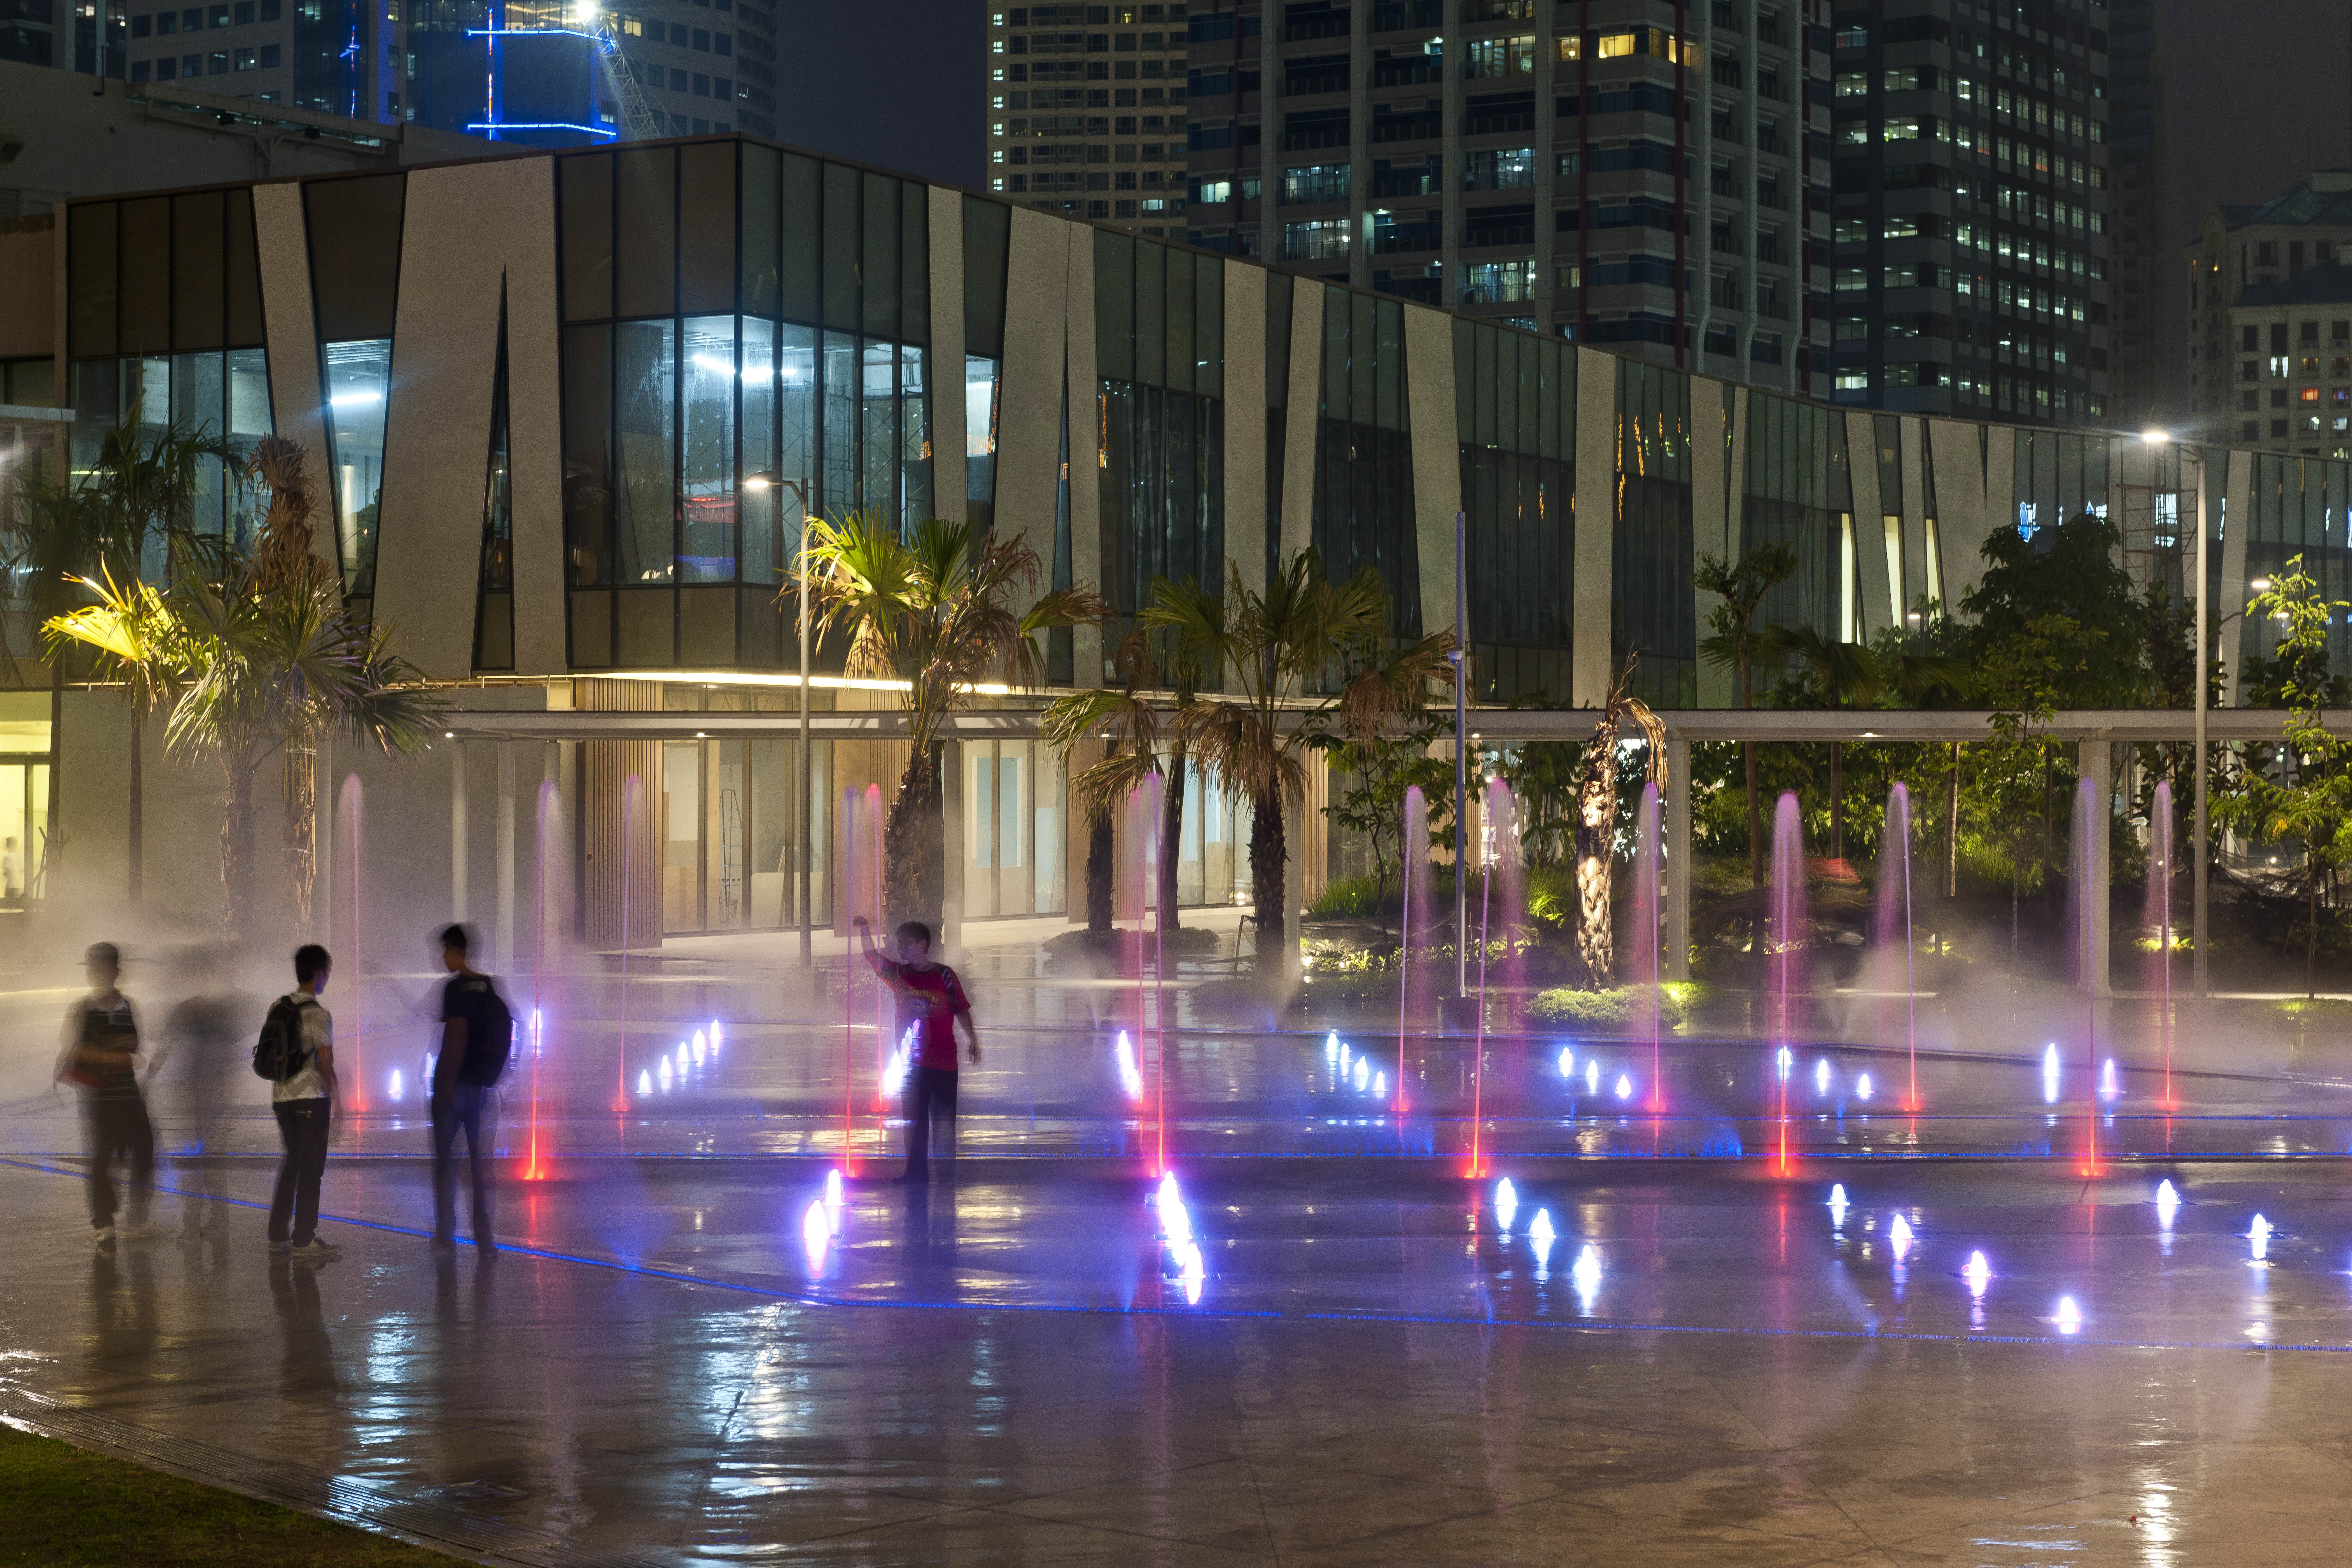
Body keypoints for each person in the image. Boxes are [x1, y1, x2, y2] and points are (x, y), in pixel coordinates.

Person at [854, 917, 979, 1183]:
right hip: (911, 1065)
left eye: (907, 943)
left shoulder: (944, 975)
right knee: (914, 1122)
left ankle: (947, 1176)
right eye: (899, 944)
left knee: (945, 1125)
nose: (901, 948)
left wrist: (973, 1040)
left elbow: (962, 1009)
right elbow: (870, 955)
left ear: (923, 944)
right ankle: (916, 1173)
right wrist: (865, 930)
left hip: (944, 1063)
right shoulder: (899, 976)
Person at [55, 942, 155, 1248]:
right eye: (92, 969)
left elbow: (134, 1044)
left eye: (102, 968)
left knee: (146, 1150)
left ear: (116, 971)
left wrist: (126, 1053)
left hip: (129, 1095)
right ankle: (104, 1223)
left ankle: (137, 1211)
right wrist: (117, 1056)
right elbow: (76, 1051)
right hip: (100, 1099)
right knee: (102, 1160)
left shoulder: (127, 1005)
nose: (96, 974)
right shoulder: (84, 1009)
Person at [430, 924, 511, 1252]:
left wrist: (446, 1086)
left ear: (457, 951)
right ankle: (484, 1236)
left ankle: (446, 1233)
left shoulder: (454, 990)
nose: (442, 957)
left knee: (446, 1164)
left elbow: (456, 1038)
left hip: (456, 1089)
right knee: (480, 1167)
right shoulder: (491, 988)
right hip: (482, 1089)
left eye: (445, 951)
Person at [263, 945, 341, 1261]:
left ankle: (277, 1234)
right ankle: (304, 1239)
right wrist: (337, 1096)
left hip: (282, 1098)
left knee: (292, 1162)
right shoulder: (319, 1015)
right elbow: (325, 1062)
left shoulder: (277, 1006)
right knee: (311, 1170)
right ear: (319, 973)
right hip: (311, 1099)